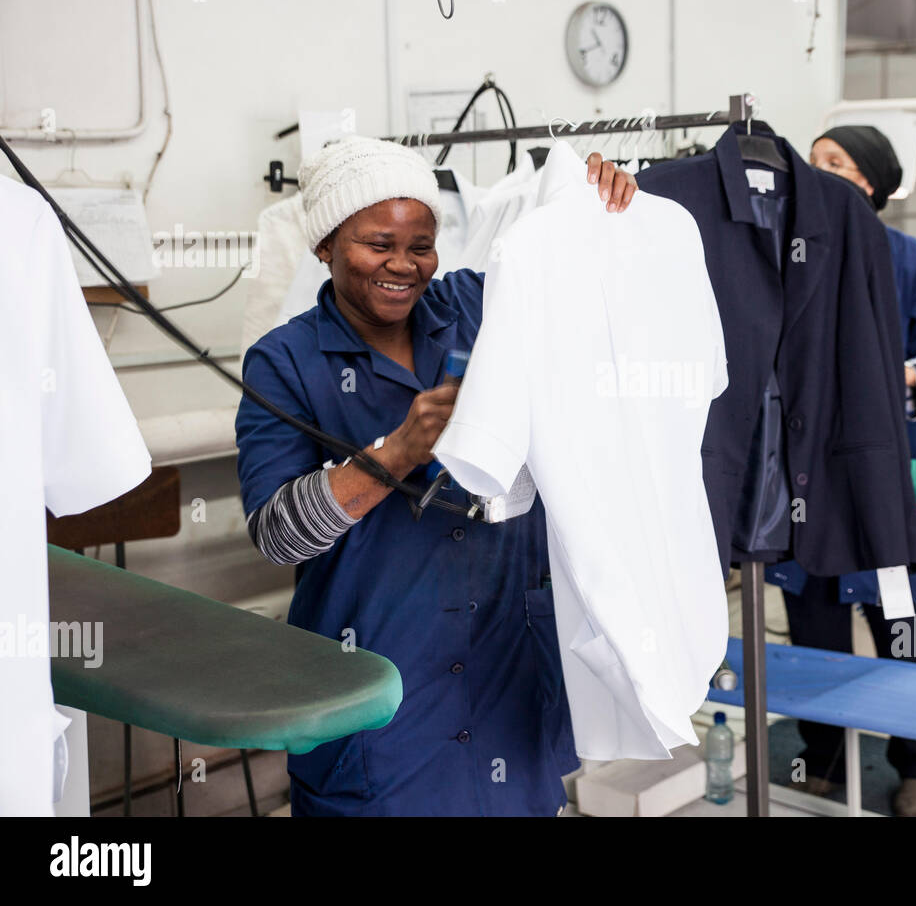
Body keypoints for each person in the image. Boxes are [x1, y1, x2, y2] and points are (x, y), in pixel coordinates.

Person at [235, 136, 638, 815]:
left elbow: (586, 283)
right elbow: (277, 534)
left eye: (420, 245)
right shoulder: (284, 361)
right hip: (380, 677)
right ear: (325, 247)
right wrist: (396, 453)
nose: (402, 265)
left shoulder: (477, 308)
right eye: (377, 244)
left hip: (507, 661)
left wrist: (595, 200)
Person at [769, 126, 916, 817]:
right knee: (814, 636)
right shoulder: (783, 250)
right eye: (812, 160)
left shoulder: (907, 259)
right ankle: (822, 755)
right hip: (806, 487)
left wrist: (895, 380)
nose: (816, 173)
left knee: (903, 634)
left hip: (889, 480)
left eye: (835, 163)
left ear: (871, 185)